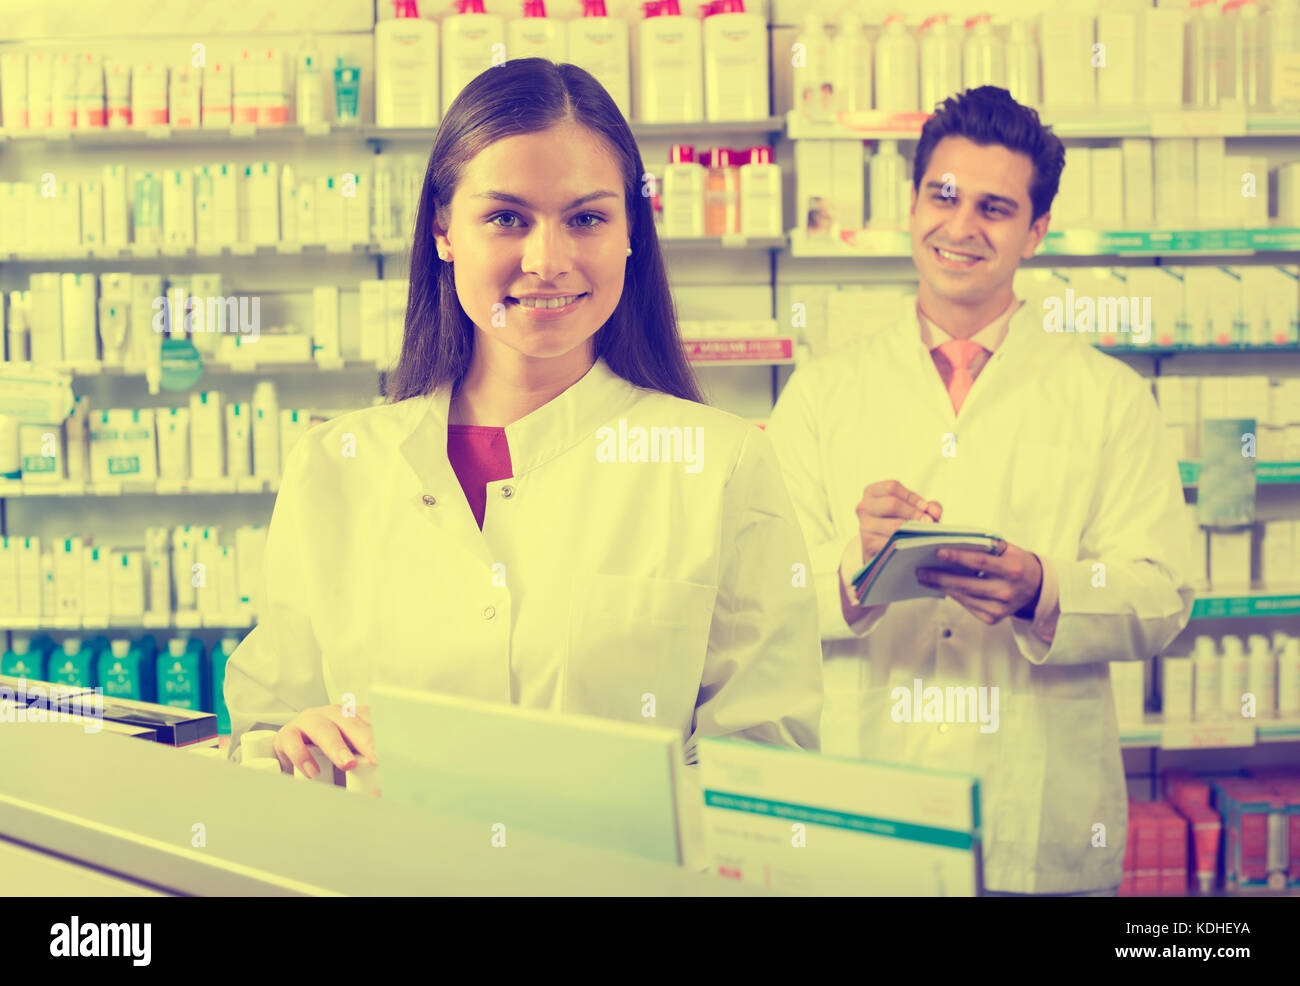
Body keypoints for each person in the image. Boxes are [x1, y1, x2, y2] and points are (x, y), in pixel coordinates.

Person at [224, 58, 822, 783]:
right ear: (444, 230)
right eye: (507, 218)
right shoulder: (335, 464)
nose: (547, 260)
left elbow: (767, 775)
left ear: (632, 233)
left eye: (587, 218)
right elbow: (261, 736)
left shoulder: (720, 465)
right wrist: (291, 746)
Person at [766, 87, 1195, 895]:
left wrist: (1045, 588)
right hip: (867, 813)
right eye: (945, 195)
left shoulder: (1109, 397)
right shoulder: (822, 392)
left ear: (1035, 231)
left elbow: (1164, 594)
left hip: (1039, 825)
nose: (960, 227)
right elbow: (762, 595)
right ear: (913, 202)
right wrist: (853, 567)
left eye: (995, 208)